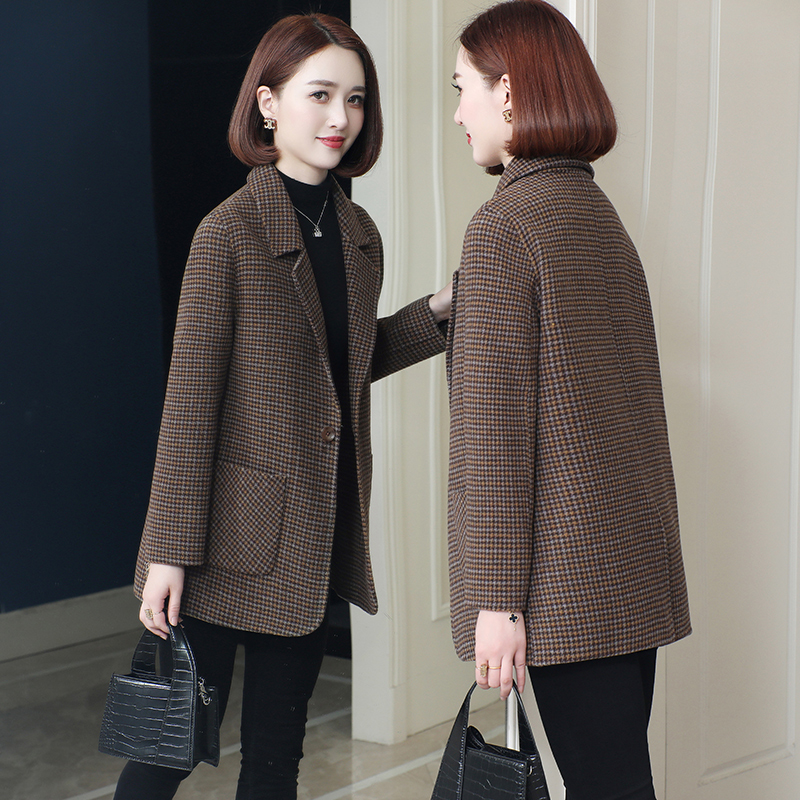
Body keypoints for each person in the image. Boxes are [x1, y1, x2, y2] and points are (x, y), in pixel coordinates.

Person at [113, 13, 451, 800]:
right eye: (320, 94)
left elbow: (341, 367)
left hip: (312, 533)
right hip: (221, 541)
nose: (341, 117)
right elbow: (189, 405)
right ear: (268, 104)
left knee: (276, 760)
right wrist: (166, 553)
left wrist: (437, 312)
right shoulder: (226, 234)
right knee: (166, 751)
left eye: (356, 99)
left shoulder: (360, 234)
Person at [445, 2, 690, 799]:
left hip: (562, 589)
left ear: (509, 91)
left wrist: (495, 604)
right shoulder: (595, 213)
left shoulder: (503, 227)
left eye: (462, 88)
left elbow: (497, 438)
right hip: (629, 565)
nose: (458, 113)